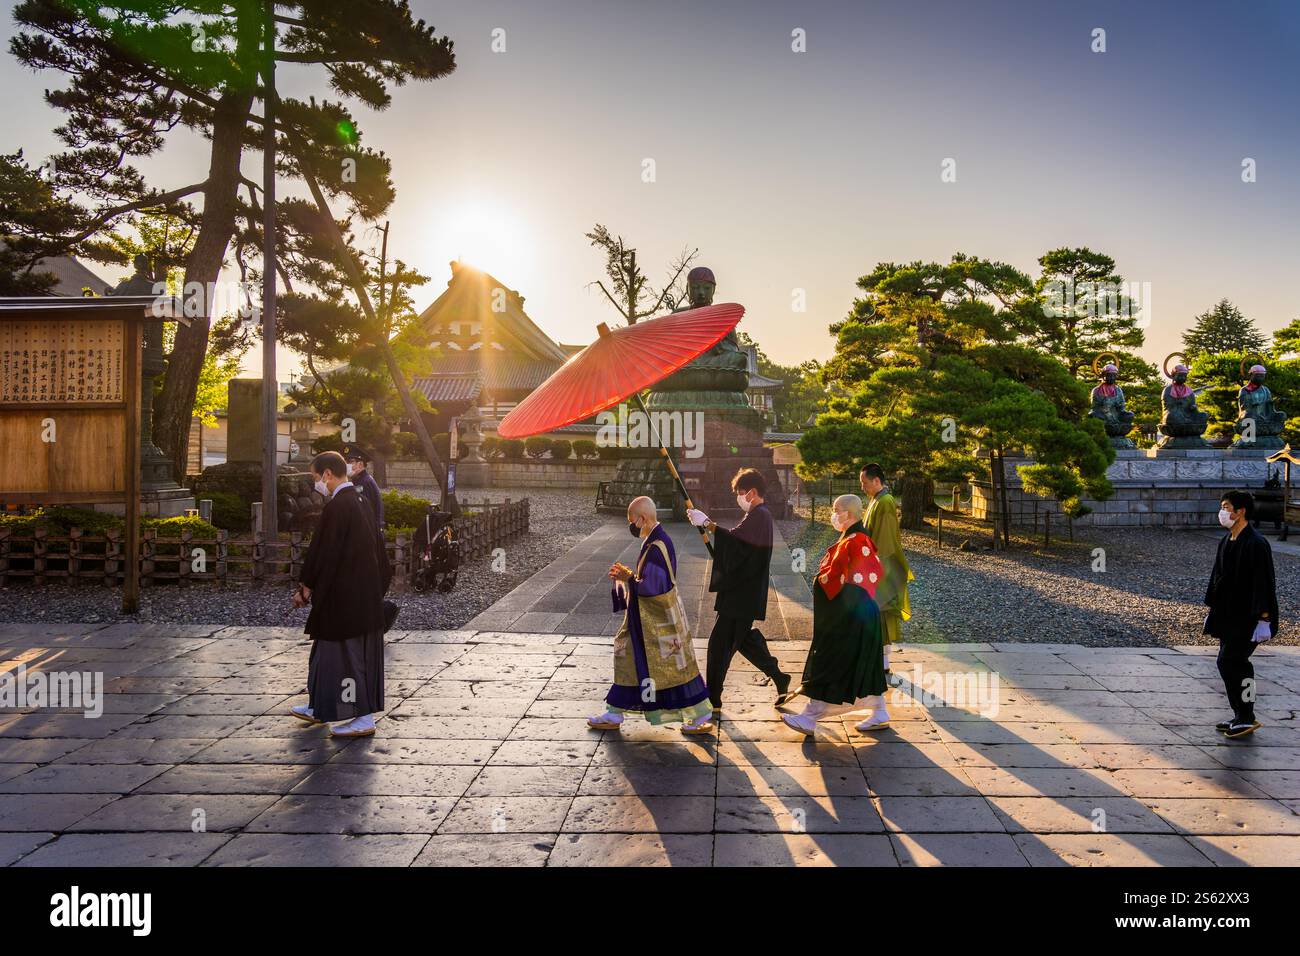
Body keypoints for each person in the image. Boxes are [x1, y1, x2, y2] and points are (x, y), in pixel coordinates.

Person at [588, 496, 714, 735]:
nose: (631, 525)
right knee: (647, 665)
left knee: (659, 667)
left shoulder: (657, 546)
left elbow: (653, 588)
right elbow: (650, 581)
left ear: (642, 518)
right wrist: (629, 578)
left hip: (653, 626)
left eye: (631, 520)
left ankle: (699, 712)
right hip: (652, 622)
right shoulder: (657, 540)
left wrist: (628, 579)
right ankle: (615, 711)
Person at [290, 451, 392, 738]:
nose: (316, 484)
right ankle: (318, 705)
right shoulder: (361, 502)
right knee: (324, 652)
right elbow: (379, 552)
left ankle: (363, 717)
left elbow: (325, 551)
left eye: (315, 478)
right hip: (360, 594)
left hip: (346, 598)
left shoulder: (338, 507)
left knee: (349, 658)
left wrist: (307, 586)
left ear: (327, 475)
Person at [781, 494, 891, 735]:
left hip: (851, 615)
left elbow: (851, 580)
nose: (833, 514)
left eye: (836, 509)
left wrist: (823, 584)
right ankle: (879, 711)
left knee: (833, 663)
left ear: (849, 514)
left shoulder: (856, 540)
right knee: (860, 664)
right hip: (857, 613)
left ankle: (810, 716)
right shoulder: (854, 538)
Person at [687, 468, 791, 716]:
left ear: (752, 493)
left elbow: (736, 544)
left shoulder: (760, 516)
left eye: (741, 493)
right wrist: (710, 529)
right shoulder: (759, 516)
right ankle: (778, 676)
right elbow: (737, 543)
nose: (739, 498)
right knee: (743, 640)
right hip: (743, 593)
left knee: (719, 645)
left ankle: (713, 699)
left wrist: (708, 525)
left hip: (741, 594)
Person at [1204, 490, 1277, 738]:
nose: (1223, 512)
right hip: (1228, 615)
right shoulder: (1227, 540)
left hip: (1249, 617)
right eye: (1222, 507)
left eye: (1227, 507)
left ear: (1241, 511)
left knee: (1233, 661)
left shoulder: (1256, 543)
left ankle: (1247, 715)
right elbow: (1218, 578)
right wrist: (1212, 609)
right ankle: (1239, 714)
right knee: (1227, 663)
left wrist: (1264, 619)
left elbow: (1263, 582)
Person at [860, 463, 913, 678]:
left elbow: (886, 540)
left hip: (882, 565)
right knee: (876, 614)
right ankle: (879, 660)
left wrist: (874, 565)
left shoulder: (886, 502)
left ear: (876, 481)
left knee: (880, 613)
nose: (862, 486)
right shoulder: (876, 500)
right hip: (875, 563)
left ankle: (882, 662)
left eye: (865, 482)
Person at [342, 444, 385, 531]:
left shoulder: (364, 483)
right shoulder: (359, 480)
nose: (346, 465)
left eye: (350, 461)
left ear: (360, 464)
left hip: (369, 532)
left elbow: (364, 513)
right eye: (345, 461)